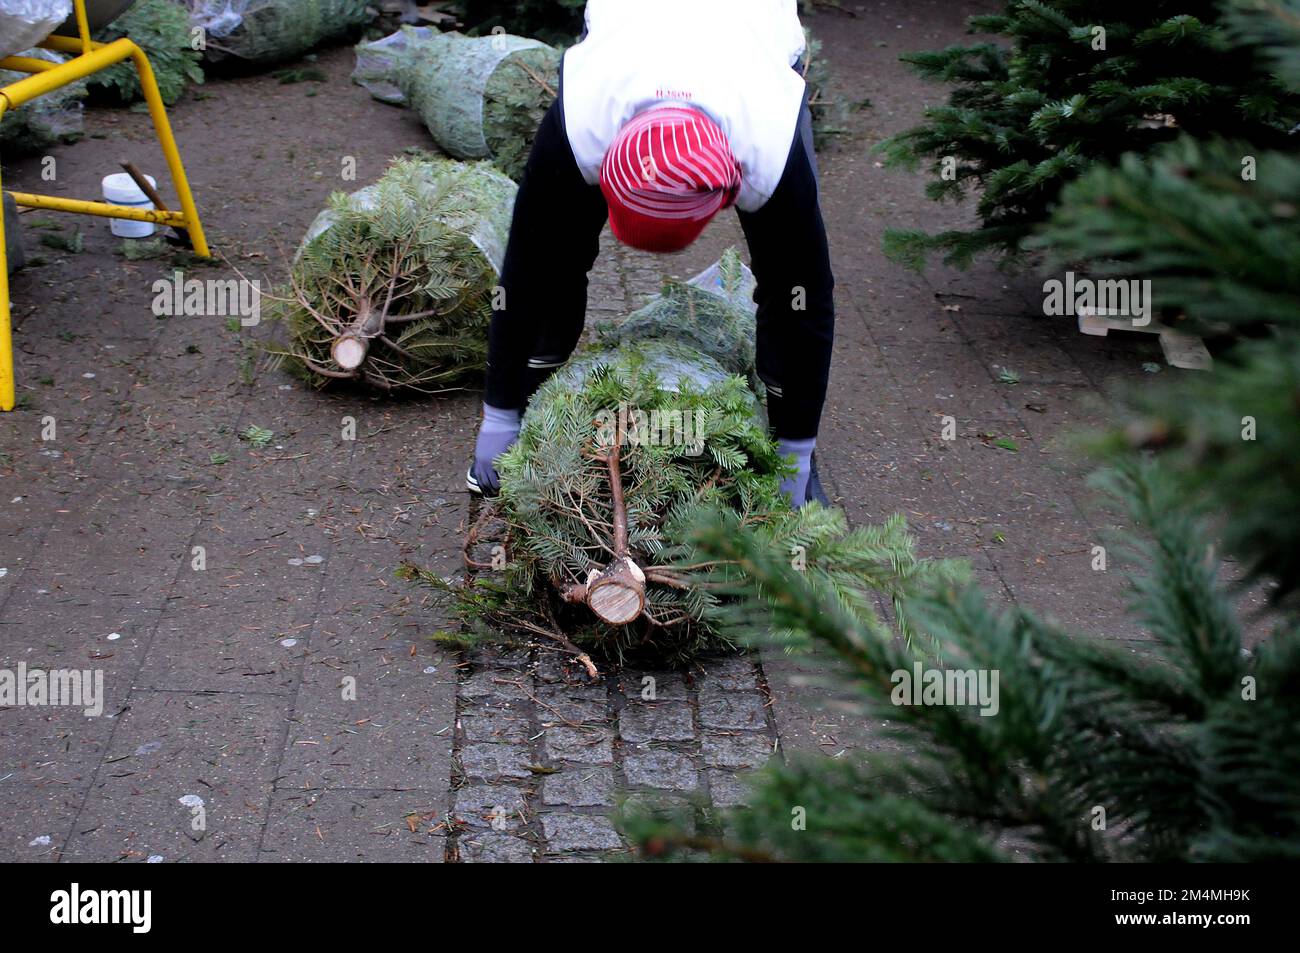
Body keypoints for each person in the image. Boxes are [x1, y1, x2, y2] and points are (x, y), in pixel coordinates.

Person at [469, 0, 835, 506]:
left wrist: (796, 449)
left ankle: (789, 440)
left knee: (789, 286)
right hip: (634, 24)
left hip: (754, 27)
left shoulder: (770, 148)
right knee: (554, 259)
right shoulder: (583, 124)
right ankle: (525, 401)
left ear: (728, 195)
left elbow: (805, 303)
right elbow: (526, 271)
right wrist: (499, 413)